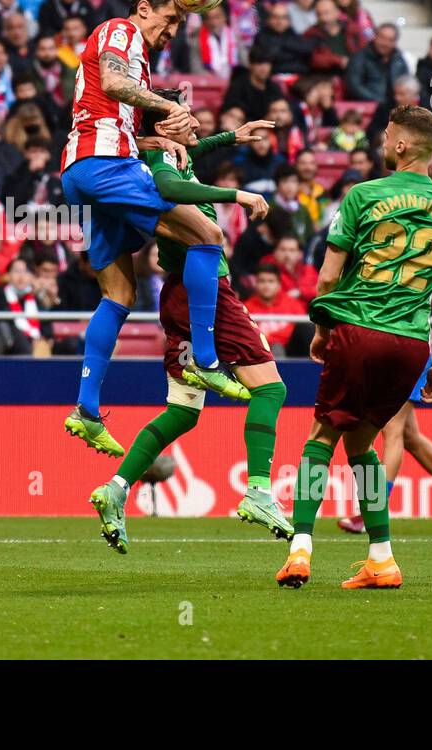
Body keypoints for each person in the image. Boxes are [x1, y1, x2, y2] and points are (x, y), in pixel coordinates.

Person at [277, 104, 432, 591]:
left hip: (358, 330)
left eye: (388, 136)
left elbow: (326, 276)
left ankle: (299, 550)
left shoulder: (363, 195)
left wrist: (323, 332)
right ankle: (381, 560)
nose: (383, 143)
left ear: (403, 145)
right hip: (411, 343)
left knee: (321, 437)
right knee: (362, 443)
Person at [59, 0, 253, 459]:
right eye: (169, 20)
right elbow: (113, 83)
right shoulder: (121, 31)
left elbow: (108, 116)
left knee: (119, 294)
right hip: (105, 166)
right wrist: (171, 106)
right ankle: (206, 358)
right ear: (144, 9)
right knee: (208, 234)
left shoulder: (134, 55)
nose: (171, 32)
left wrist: (155, 139)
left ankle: (85, 407)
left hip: (87, 166)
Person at [89, 106, 287, 552]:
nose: (196, 124)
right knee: (271, 389)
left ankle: (117, 489)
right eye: (186, 117)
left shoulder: (177, 151)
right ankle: (258, 490)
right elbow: (167, 184)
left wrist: (233, 136)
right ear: (162, 128)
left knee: (183, 410)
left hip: (179, 295)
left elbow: (193, 151)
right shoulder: (161, 161)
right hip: (207, 292)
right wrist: (236, 194)